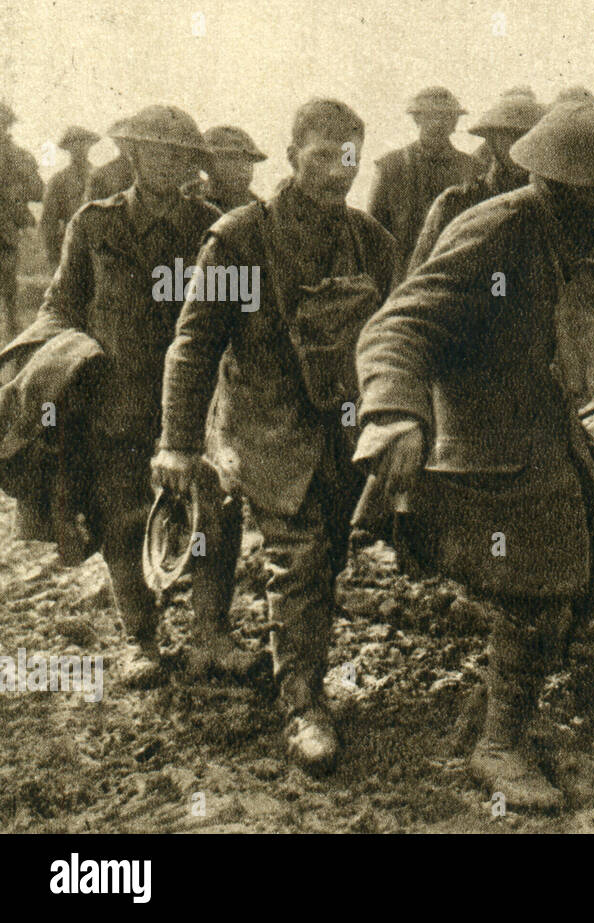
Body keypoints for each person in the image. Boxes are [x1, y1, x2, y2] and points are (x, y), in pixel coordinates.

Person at [354, 100, 594, 811]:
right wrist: (394, 412)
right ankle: (499, 743)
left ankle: (501, 696)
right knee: (539, 590)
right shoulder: (498, 228)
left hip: (542, 429)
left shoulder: (569, 231)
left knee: (584, 572)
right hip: (481, 444)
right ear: (558, 185)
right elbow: (401, 322)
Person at [152, 98, 398, 774]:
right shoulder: (240, 240)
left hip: (340, 429)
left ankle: (298, 657)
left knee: (332, 552)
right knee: (300, 553)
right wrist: (178, 442)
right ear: (292, 156)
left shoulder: (371, 242)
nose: (337, 172)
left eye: (350, 156)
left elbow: (393, 340)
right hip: (262, 425)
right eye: (323, 155)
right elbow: (195, 344)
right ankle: (303, 705)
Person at [13, 106, 235, 688]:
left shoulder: (213, 229)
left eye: (181, 153)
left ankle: (212, 635)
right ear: (133, 156)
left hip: (194, 404)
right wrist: (60, 357)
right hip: (116, 398)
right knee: (122, 520)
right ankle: (142, 641)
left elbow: (233, 315)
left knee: (213, 514)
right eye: (156, 150)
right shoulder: (94, 224)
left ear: (193, 163)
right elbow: (60, 303)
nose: (169, 162)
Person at [406, 89, 546, 276]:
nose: (519, 144)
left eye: (526, 135)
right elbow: (418, 280)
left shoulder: (549, 206)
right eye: (509, 135)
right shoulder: (455, 203)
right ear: (492, 139)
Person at [368, 87, 483, 268]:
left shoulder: (472, 168)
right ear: (417, 119)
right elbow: (373, 233)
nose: (437, 124)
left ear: (455, 123)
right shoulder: (390, 166)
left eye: (446, 117)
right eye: (430, 116)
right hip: (400, 275)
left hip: (455, 271)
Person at [1, 104, 43, 341]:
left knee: (8, 286)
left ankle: (12, 333)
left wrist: (15, 192)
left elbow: (38, 190)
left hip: (6, 230)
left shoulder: (19, 156)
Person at [39, 126, 99, 268]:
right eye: (74, 144)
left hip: (97, 246)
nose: (79, 148)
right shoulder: (59, 180)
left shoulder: (100, 176)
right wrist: (53, 256)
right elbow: (49, 220)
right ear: (68, 148)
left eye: (83, 143)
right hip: (70, 246)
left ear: (89, 145)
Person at [201, 126, 267, 212]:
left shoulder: (261, 210)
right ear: (208, 162)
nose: (243, 168)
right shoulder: (192, 205)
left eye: (249, 160)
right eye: (232, 158)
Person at [83, 119, 134, 202]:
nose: (126, 143)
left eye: (130, 140)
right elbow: (91, 206)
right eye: (121, 140)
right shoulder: (102, 174)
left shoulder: (147, 171)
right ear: (115, 141)